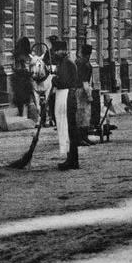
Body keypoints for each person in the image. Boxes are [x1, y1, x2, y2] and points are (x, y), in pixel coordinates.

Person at [51, 39, 81, 170]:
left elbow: (63, 82)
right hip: (68, 97)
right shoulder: (65, 62)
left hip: (67, 98)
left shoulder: (66, 63)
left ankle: (72, 160)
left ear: (63, 50)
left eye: (57, 50)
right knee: (68, 130)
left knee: (69, 130)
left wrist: (54, 79)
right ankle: (72, 159)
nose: (55, 53)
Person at [77, 43, 97, 145]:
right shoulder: (84, 63)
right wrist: (89, 95)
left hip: (81, 88)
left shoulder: (79, 62)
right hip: (82, 90)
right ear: (88, 54)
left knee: (84, 115)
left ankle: (84, 137)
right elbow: (84, 80)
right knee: (83, 115)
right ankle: (81, 138)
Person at [11, 36, 33, 119]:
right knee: (24, 97)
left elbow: (17, 68)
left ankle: (21, 112)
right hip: (23, 81)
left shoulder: (18, 56)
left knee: (20, 98)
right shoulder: (26, 57)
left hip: (20, 81)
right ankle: (24, 112)